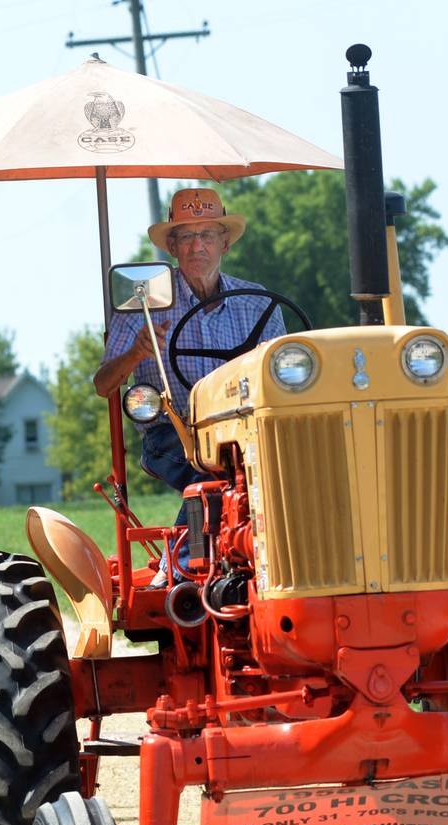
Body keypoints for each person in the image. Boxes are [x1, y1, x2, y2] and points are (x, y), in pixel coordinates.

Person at [93, 188, 285, 579]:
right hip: (172, 434)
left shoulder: (258, 303)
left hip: (247, 434)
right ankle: (180, 571)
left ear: (224, 243)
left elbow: (280, 375)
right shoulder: (143, 307)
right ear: (173, 248)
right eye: (186, 237)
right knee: (218, 474)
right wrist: (136, 353)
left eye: (207, 236)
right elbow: (102, 384)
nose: (198, 246)